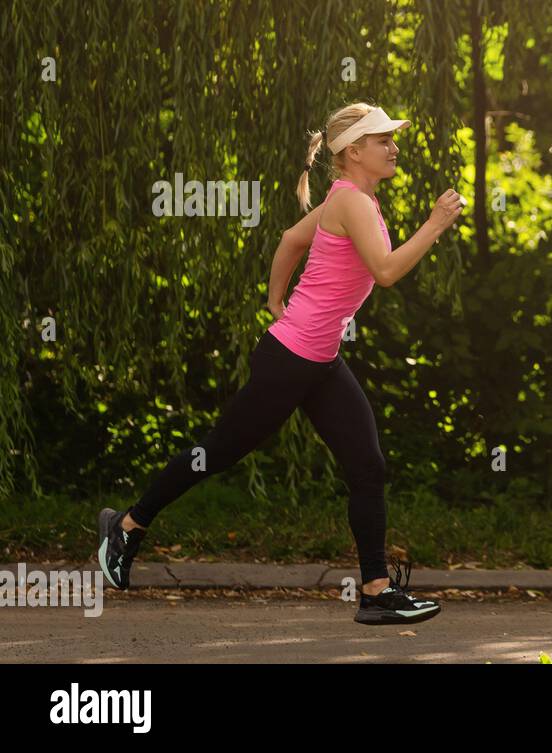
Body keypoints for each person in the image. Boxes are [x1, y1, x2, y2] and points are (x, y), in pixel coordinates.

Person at [96, 102, 465, 625]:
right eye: (382, 139)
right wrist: (435, 223)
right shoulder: (353, 202)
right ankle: (127, 527)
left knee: (367, 465)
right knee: (217, 452)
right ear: (353, 151)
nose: (393, 145)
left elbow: (291, 240)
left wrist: (276, 300)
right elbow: (384, 272)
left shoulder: (349, 198)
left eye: (391, 137)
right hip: (290, 362)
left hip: (319, 362)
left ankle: (377, 592)